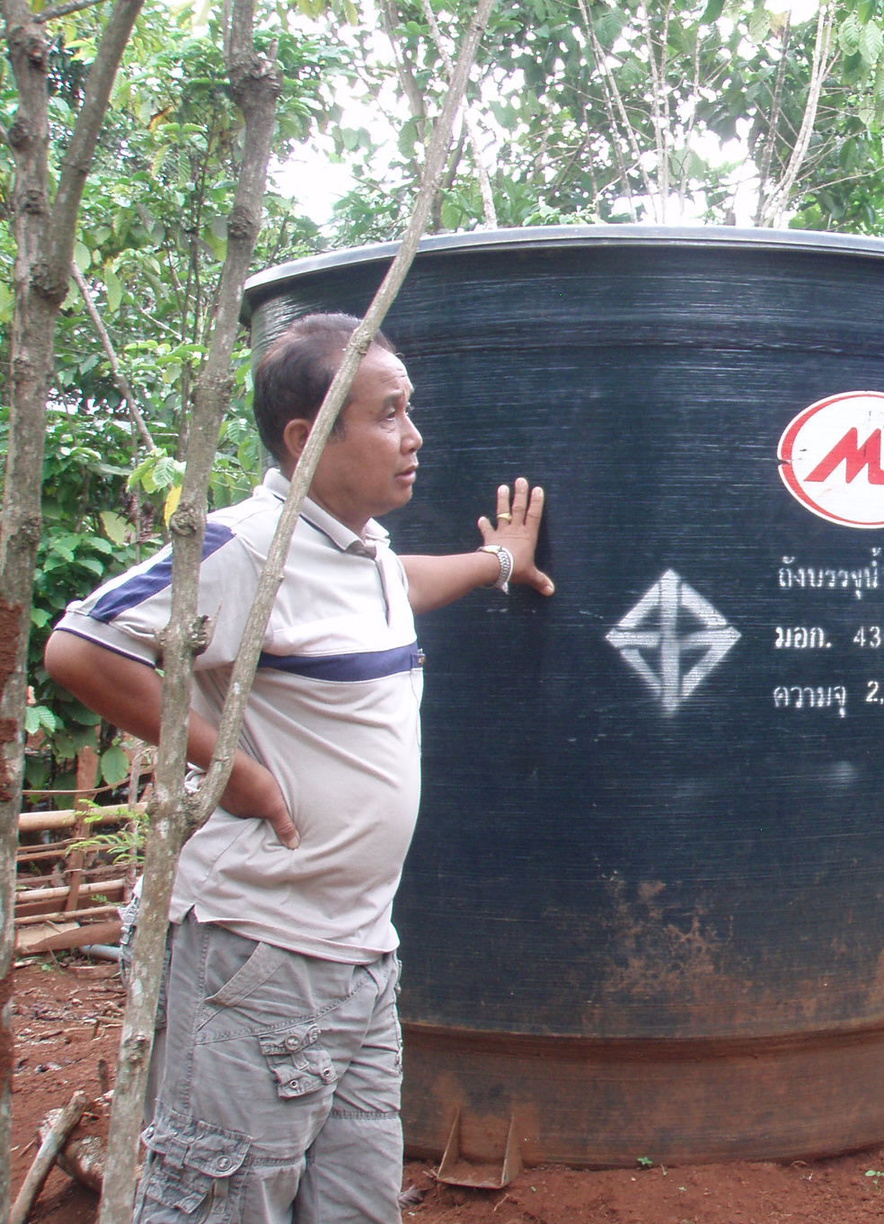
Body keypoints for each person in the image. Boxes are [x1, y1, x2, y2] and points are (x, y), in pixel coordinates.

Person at [44, 312, 555, 1224]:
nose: (414, 435)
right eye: (388, 414)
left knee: (357, 1207)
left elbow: (401, 587)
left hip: (362, 959)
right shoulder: (246, 548)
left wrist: (496, 563)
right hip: (258, 956)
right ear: (305, 437)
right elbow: (80, 646)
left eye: (410, 410)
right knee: (223, 1206)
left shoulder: (361, 550)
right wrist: (231, 769)